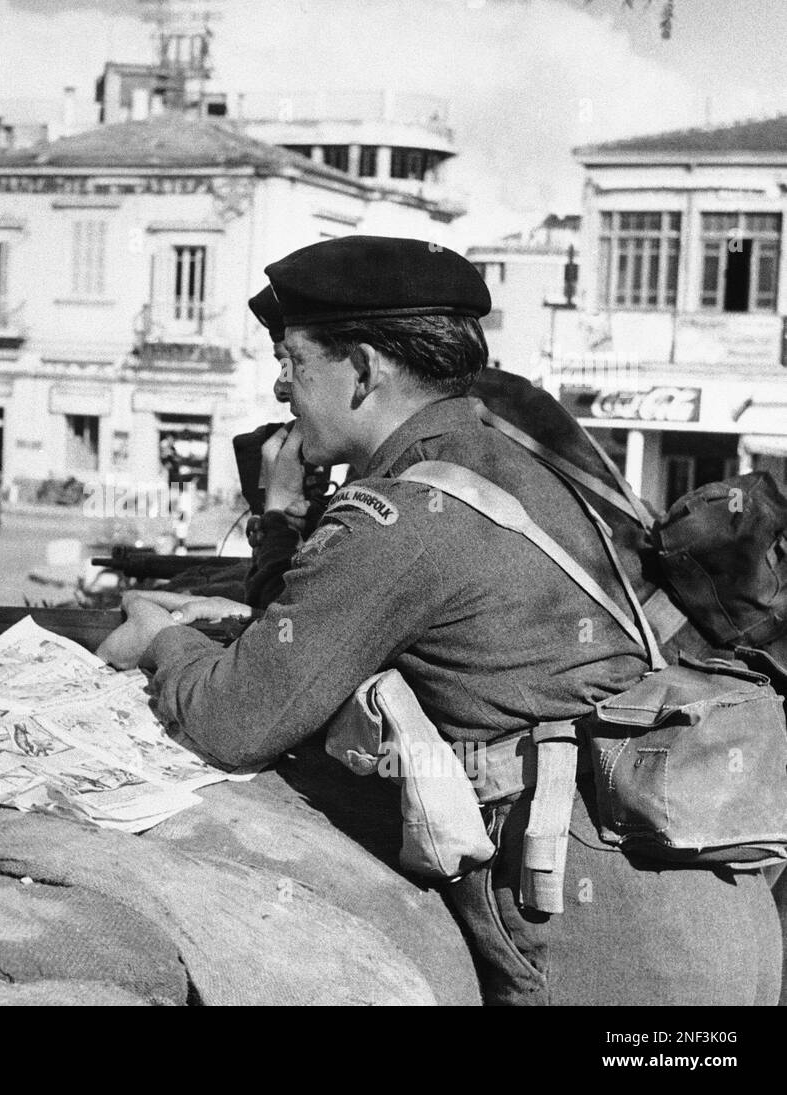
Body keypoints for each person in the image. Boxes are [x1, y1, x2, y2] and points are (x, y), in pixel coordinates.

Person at [98, 234, 782, 1006]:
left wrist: (161, 638)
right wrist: (283, 518)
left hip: (607, 944)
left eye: (293, 359)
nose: (283, 388)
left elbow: (235, 717)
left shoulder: (402, 515)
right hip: (711, 913)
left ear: (362, 368)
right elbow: (314, 629)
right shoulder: (511, 459)